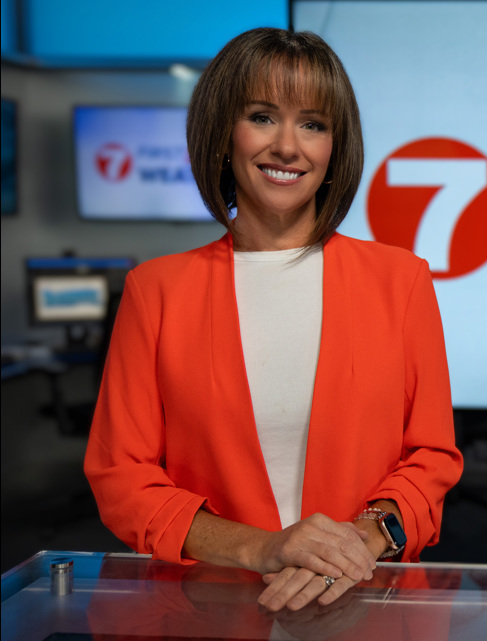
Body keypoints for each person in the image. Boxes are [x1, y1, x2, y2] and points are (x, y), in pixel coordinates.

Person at [84, 27, 463, 613]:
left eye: (313, 124)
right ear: (222, 134)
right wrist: (263, 548)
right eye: (262, 117)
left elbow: (432, 457)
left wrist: (361, 540)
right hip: (212, 610)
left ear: (335, 148)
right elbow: (121, 477)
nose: (288, 146)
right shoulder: (155, 291)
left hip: (364, 605)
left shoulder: (402, 280)